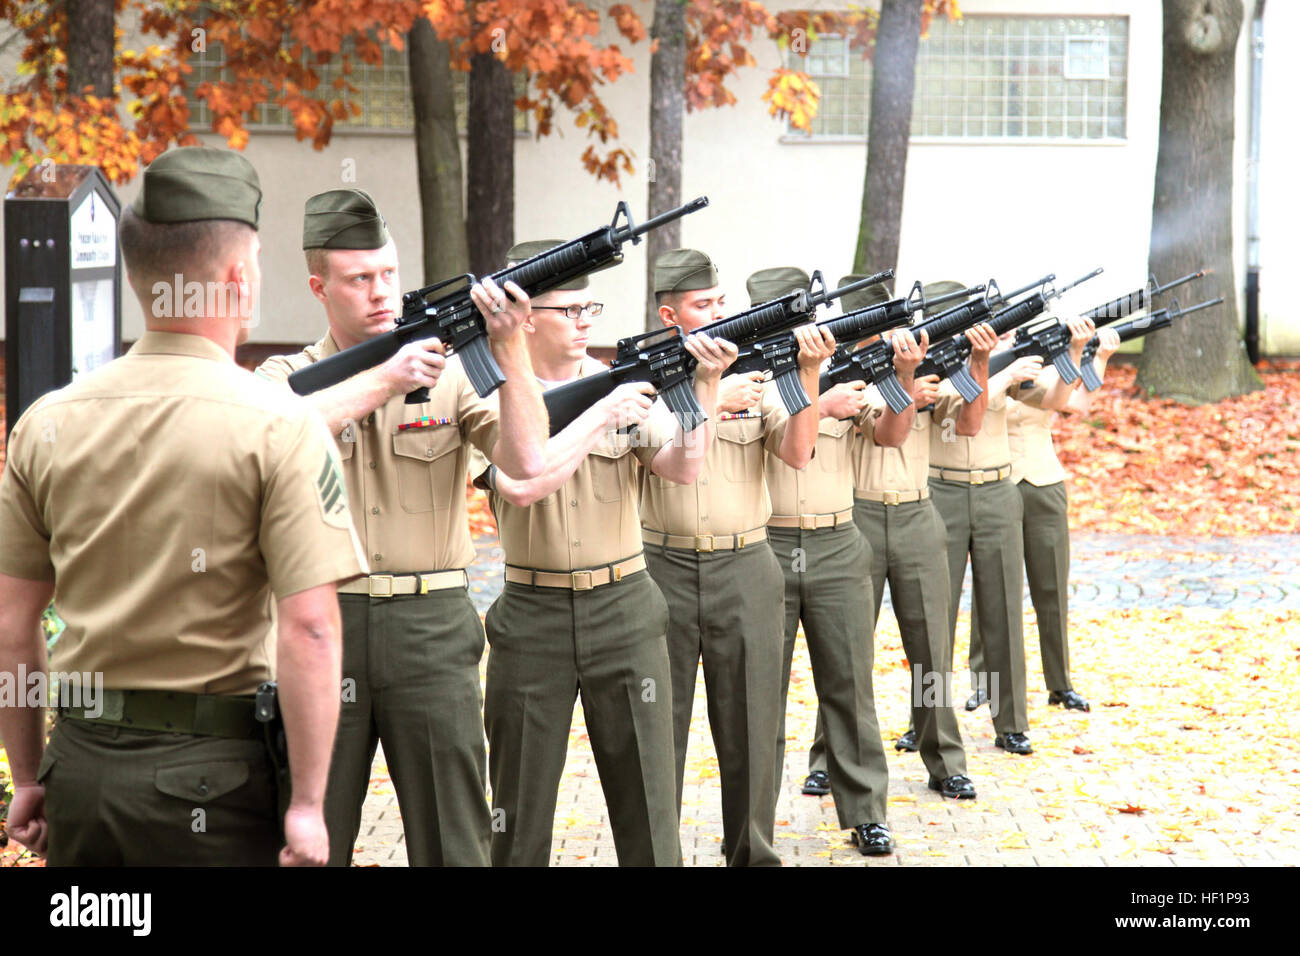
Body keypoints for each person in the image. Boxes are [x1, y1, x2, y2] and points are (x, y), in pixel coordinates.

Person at [0, 146, 367, 866]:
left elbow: (13, 628)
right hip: (217, 788)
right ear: (240, 276)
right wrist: (306, 807)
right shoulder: (280, 425)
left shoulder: (45, 422)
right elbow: (313, 630)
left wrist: (25, 775)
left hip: (81, 773)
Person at [255, 188, 547, 866]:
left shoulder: (451, 376)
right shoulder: (286, 377)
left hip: (432, 628)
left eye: (389, 273)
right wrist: (385, 381)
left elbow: (527, 462)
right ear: (319, 287)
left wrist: (514, 351)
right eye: (360, 279)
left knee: (455, 838)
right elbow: (267, 434)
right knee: (309, 836)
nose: (382, 292)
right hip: (322, 628)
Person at [477, 240, 736, 866]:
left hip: (624, 606)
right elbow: (521, 481)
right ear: (525, 317)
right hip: (532, 612)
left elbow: (681, 469)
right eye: (569, 310)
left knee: (648, 800)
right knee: (519, 804)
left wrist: (704, 389)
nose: (586, 320)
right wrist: (598, 417)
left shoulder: (617, 382)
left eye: (590, 307)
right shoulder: (492, 396)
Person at [641, 249, 834, 866]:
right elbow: (644, 442)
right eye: (703, 306)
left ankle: (751, 852)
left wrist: (807, 375)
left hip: (748, 564)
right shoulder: (638, 379)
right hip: (661, 567)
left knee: (753, 726)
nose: (719, 314)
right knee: (657, 729)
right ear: (671, 316)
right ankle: (658, 854)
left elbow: (799, 452)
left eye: (722, 301)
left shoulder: (760, 373)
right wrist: (711, 399)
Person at [760, 270, 921, 855]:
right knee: (759, 694)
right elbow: (794, 446)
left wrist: (903, 375)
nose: (808, 326)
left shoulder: (838, 371)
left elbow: (891, 435)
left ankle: (865, 812)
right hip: (768, 546)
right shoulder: (742, 382)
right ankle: (752, 822)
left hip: (836, 543)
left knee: (851, 687)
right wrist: (818, 402)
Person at [805, 279, 978, 804]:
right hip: (855, 514)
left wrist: (969, 367)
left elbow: (966, 420)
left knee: (932, 650)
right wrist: (900, 388)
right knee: (845, 653)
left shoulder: (919, 364)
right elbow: (879, 428)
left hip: (916, 512)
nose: (892, 330)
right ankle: (826, 758)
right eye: (879, 321)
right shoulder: (841, 378)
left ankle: (944, 756)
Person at [966, 320, 1120, 714]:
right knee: (992, 587)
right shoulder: (977, 367)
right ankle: (984, 683)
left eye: (1009, 332)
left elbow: (1074, 403)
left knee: (1050, 587)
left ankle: (1060, 683)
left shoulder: (1042, 364)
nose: (1005, 339)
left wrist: (1096, 356)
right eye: (998, 332)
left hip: (1042, 481)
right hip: (994, 481)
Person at [926, 282, 1048, 756]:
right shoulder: (927, 368)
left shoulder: (999, 362)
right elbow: (964, 414)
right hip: (944, 491)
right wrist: (1001, 371)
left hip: (998, 490)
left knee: (1002, 613)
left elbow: (1054, 398)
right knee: (933, 620)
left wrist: (1075, 351)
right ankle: (927, 719)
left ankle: (1010, 720)